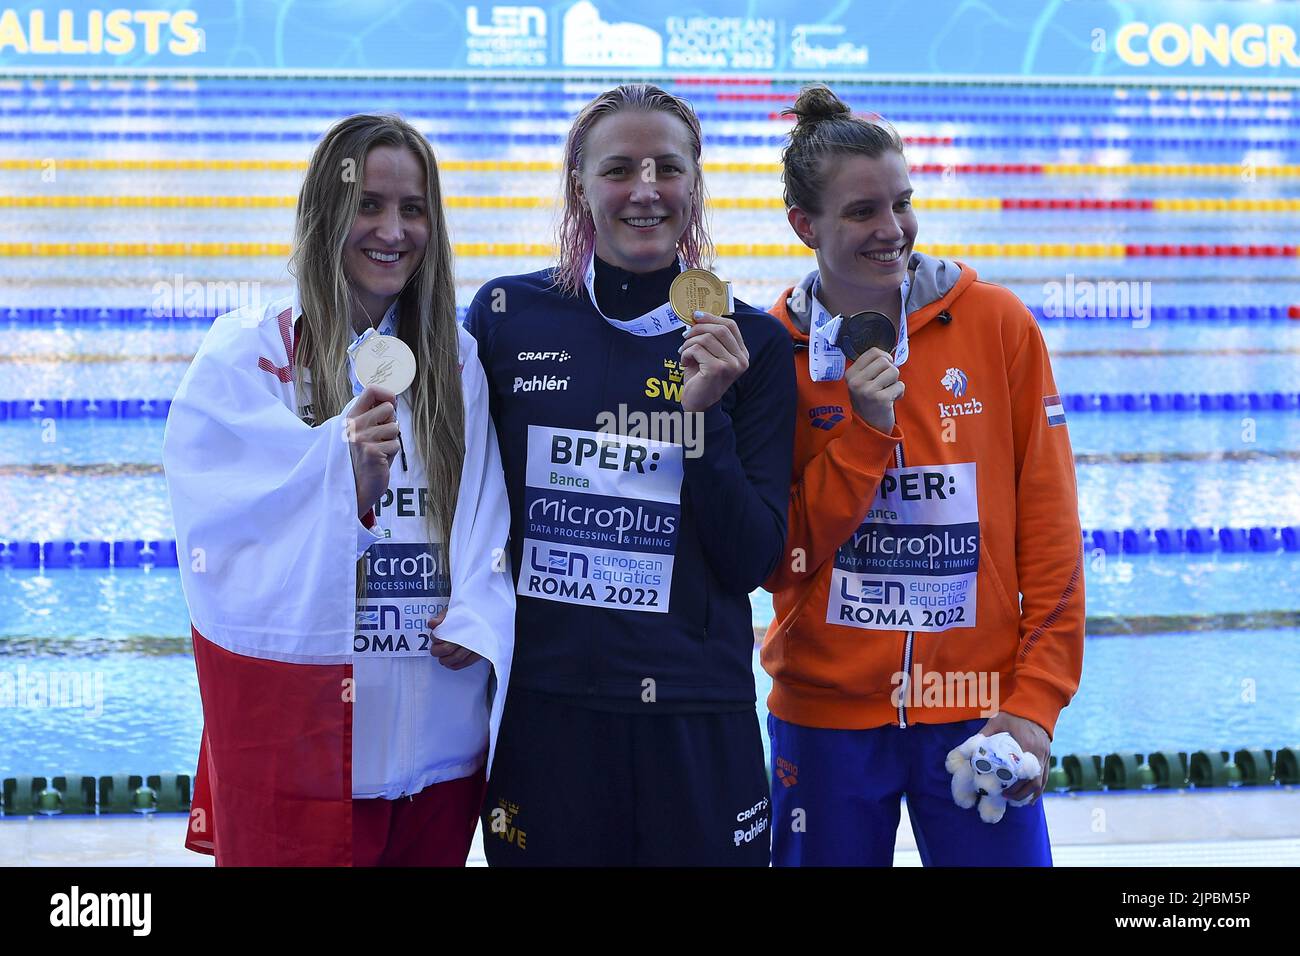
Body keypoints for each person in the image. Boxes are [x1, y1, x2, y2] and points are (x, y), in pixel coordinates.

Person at [162, 114, 514, 866]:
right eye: (370, 205)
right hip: (307, 741)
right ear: (327, 211)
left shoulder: (456, 361)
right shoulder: (248, 353)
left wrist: (478, 614)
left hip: (435, 732)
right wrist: (337, 478)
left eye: (413, 209)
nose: (393, 230)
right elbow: (213, 526)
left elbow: (486, 510)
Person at [464, 83, 795, 866]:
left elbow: (754, 559)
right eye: (619, 169)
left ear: (696, 182)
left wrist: (703, 416)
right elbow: (463, 504)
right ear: (579, 184)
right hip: (548, 717)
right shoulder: (508, 317)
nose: (646, 190)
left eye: (667, 168)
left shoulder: (752, 343)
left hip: (695, 716)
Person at [761, 85, 1084, 866]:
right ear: (805, 226)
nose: (891, 230)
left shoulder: (998, 325)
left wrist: (1034, 704)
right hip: (826, 715)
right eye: (861, 211)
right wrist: (865, 439)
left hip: (978, 714)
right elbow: (777, 554)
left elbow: (1050, 531)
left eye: (901, 203)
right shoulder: (774, 353)